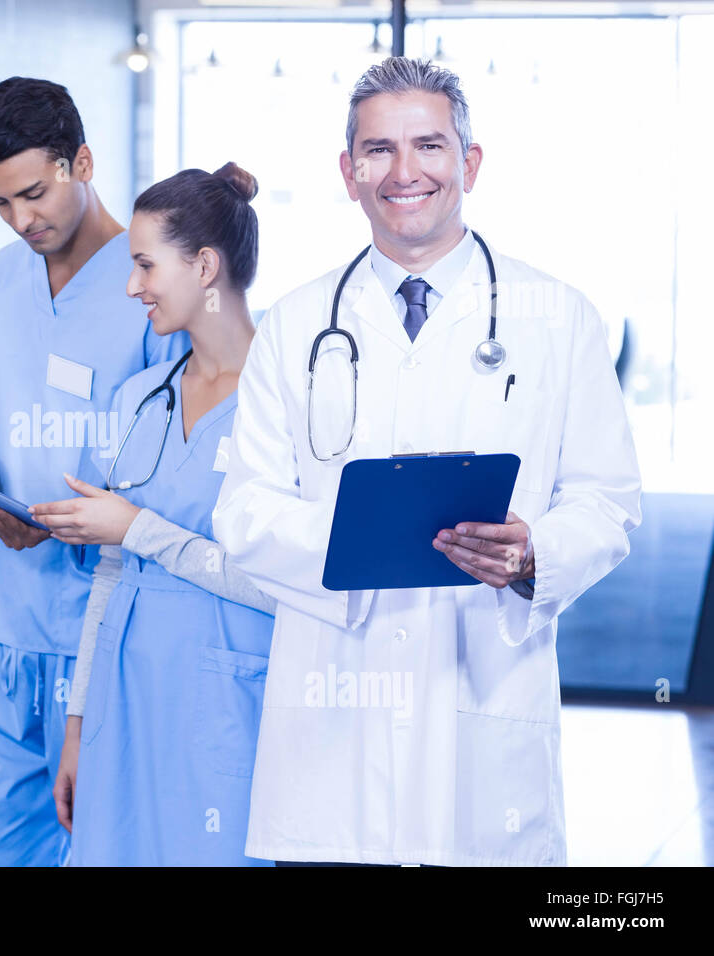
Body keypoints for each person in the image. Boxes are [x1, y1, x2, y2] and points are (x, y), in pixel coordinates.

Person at [212, 57, 642, 866]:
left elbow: (607, 499)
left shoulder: (557, 318)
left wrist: (531, 554)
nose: (403, 173)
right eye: (377, 151)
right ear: (348, 173)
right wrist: (365, 541)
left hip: (486, 726)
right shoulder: (295, 323)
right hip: (331, 744)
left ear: (469, 163)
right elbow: (243, 510)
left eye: (430, 146)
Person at [0, 77, 190, 866]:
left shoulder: (152, 286)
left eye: (35, 193)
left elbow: (178, 473)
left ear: (82, 161)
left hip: (102, 638)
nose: (22, 220)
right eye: (0, 202)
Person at [36, 163, 276, 866]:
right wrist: (77, 724)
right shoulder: (139, 398)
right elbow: (107, 579)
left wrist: (137, 529)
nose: (133, 285)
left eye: (145, 264)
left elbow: (283, 583)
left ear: (205, 265)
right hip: (123, 708)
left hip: (226, 711)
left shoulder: (284, 403)